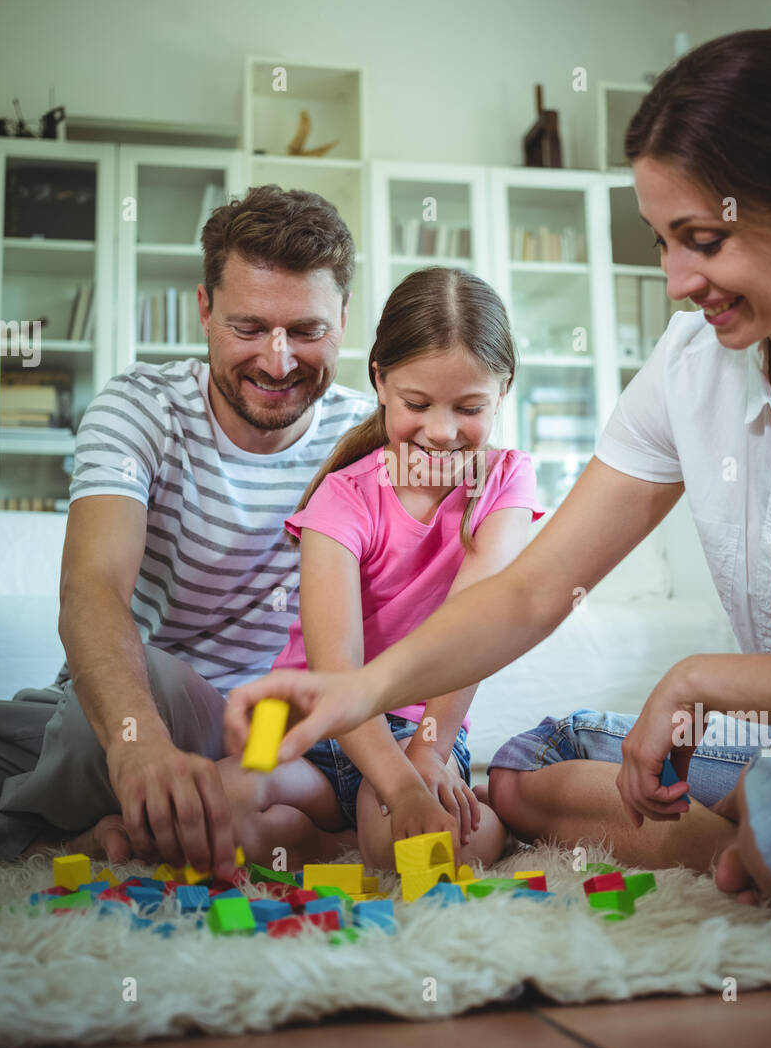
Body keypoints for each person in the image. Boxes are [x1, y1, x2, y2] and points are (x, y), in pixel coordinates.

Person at [221, 30, 771, 914]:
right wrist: (355, 693)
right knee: (530, 766)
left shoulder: (510, 473)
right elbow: (535, 589)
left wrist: (703, 680)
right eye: (662, 242)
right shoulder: (693, 366)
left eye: (704, 240)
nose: (676, 280)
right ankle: (759, 841)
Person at [0, 185, 375, 876]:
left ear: (345, 319)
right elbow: (92, 586)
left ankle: (74, 835)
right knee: (135, 696)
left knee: (299, 748)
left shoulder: (370, 437)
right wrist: (137, 745)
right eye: (249, 327)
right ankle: (127, 816)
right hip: (130, 710)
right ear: (204, 310)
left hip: (272, 730)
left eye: (308, 331)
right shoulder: (138, 408)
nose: (278, 361)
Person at [217, 267, 542, 872]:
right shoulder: (341, 497)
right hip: (296, 716)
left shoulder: (506, 480)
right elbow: (334, 665)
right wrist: (397, 791)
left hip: (419, 725)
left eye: (469, 407)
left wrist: (423, 762)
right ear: (380, 381)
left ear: (503, 391)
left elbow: (477, 631)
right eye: (417, 404)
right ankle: (329, 841)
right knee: (219, 805)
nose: (442, 433)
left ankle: (331, 843)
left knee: (442, 843)